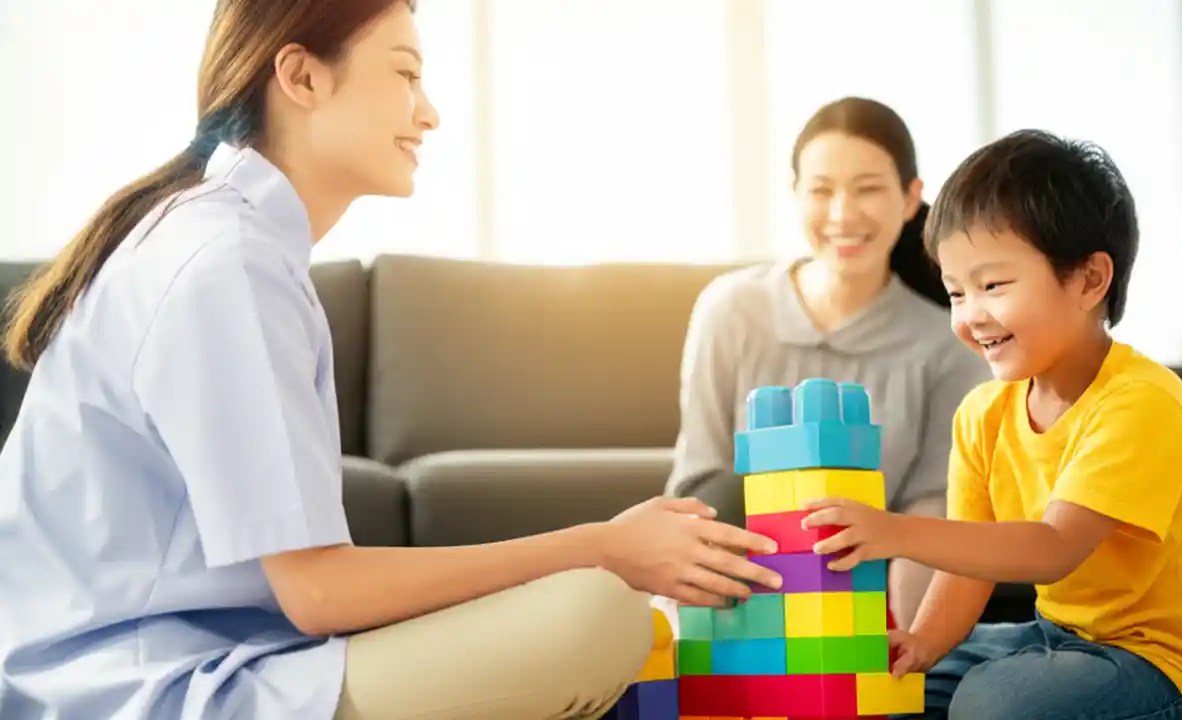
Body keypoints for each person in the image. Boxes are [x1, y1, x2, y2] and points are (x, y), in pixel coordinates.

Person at [0, 2, 784, 718]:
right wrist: (602, 546)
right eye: (406, 74)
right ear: (302, 77)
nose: (429, 112)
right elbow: (318, 593)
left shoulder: (226, 243)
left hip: (190, 663)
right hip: (151, 692)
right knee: (598, 614)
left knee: (593, 611)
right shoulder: (224, 263)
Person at [802, 129, 1182, 719]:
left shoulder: (1141, 403)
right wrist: (923, 642)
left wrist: (893, 532)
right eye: (956, 293)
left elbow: (1053, 548)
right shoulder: (982, 414)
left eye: (992, 286)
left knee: (994, 703)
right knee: (899, 687)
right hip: (1064, 637)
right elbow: (969, 562)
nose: (972, 316)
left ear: (1089, 280)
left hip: (1178, 670)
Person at [666, 97, 989, 628]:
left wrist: (914, 642)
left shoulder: (949, 342)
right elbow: (698, 479)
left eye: (868, 189)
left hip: (863, 592)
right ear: (795, 195)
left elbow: (935, 506)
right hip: (739, 581)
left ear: (911, 198)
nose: (842, 214)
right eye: (821, 190)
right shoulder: (729, 310)